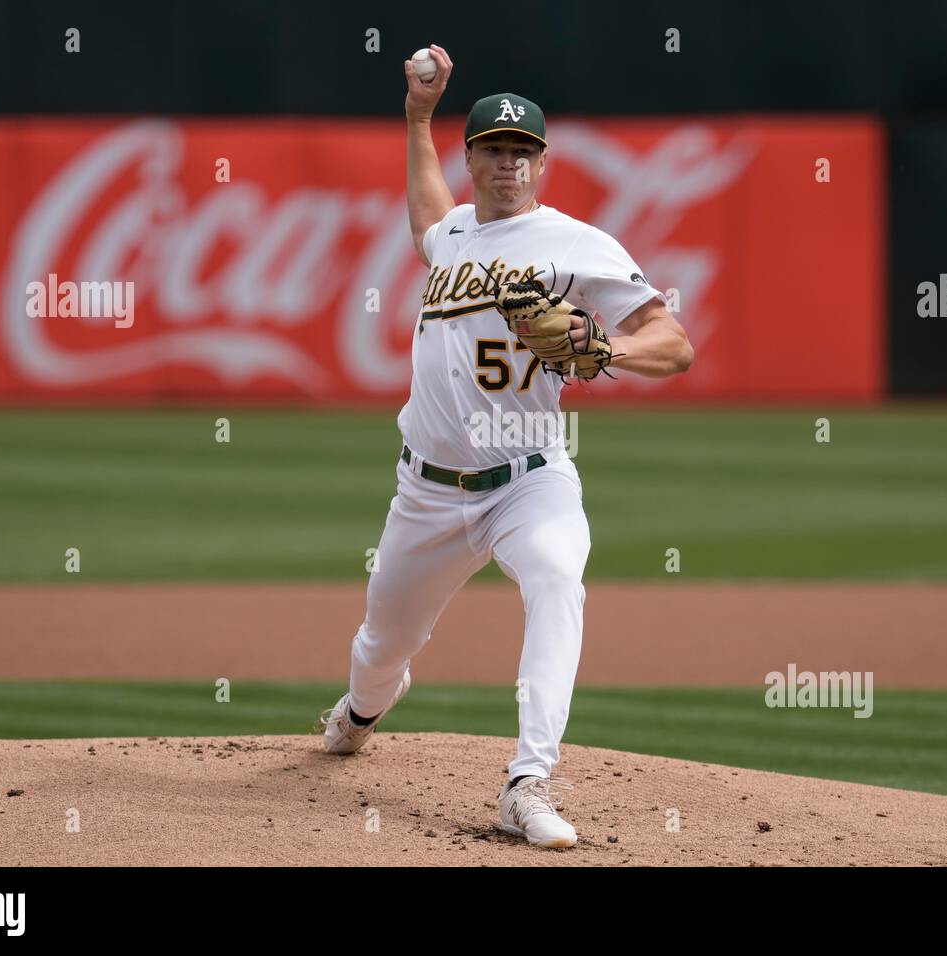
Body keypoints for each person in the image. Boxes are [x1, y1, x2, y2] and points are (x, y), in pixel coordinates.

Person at [316, 43, 693, 849]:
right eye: (495, 150)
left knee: (558, 575)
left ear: (543, 163)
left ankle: (529, 782)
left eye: (524, 152)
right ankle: (359, 712)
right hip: (425, 492)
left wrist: (603, 350)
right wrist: (418, 116)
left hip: (528, 478)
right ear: (473, 158)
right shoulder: (453, 233)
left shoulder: (574, 244)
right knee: (383, 645)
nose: (510, 165)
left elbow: (673, 343)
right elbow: (426, 215)